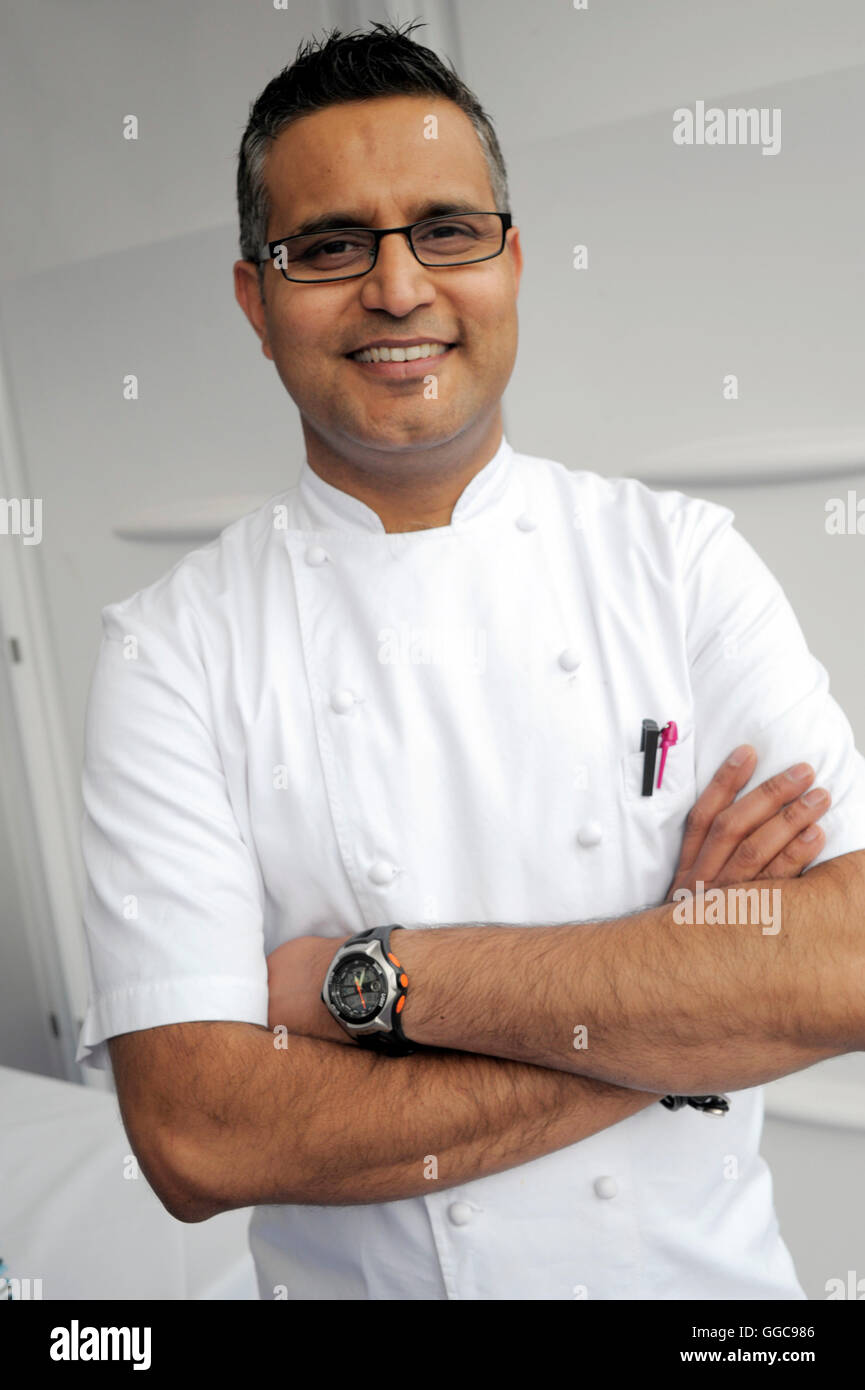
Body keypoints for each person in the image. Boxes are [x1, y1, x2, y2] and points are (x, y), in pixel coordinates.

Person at [76, 19, 865, 1301]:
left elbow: (845, 962)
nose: (397, 288)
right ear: (254, 299)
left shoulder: (678, 563)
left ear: (511, 261)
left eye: (446, 230)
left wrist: (368, 984)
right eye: (329, 246)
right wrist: (679, 995)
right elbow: (198, 1132)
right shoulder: (171, 652)